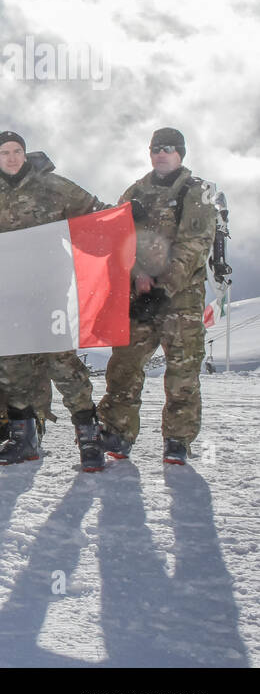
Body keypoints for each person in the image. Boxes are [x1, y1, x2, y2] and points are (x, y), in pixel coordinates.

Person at [0, 131, 107, 468]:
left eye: (17, 151)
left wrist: (127, 218)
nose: (12, 158)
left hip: (49, 291)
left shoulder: (52, 185)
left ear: (25, 155)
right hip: (7, 295)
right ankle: (23, 438)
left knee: (61, 363)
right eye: (5, 153)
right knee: (11, 368)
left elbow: (94, 211)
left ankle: (88, 436)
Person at [97, 128, 213, 464]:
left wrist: (163, 287)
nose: (161, 154)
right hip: (140, 295)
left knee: (182, 371)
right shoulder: (136, 192)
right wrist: (138, 277)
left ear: (181, 154)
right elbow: (117, 240)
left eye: (169, 148)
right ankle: (117, 432)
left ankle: (177, 440)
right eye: (156, 149)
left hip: (181, 299)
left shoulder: (197, 191)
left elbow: (194, 246)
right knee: (123, 367)